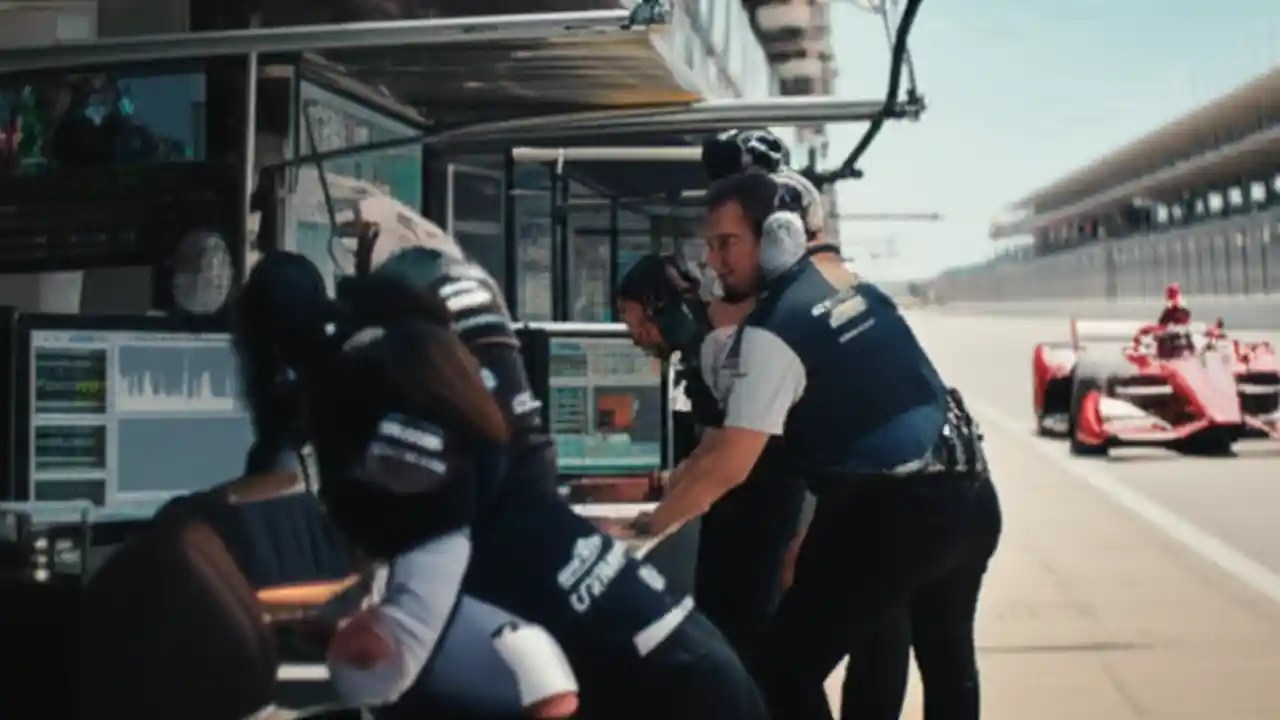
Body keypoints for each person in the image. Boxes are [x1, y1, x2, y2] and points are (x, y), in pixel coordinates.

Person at [254, 252, 767, 719]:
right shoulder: (506, 463)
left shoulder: (448, 520)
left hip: (666, 687)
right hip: (686, 657)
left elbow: (392, 658)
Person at [616, 170, 1003, 720]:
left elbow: (727, 465)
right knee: (947, 666)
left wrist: (649, 528)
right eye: (710, 246)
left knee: (780, 672)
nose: (714, 262)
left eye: (727, 244)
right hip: (971, 499)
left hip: (897, 513)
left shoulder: (775, 331)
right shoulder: (852, 291)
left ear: (776, 238)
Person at [615, 252, 806, 667]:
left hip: (764, 505)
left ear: (661, 310)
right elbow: (709, 447)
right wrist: (665, 497)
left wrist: (650, 528)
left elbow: (724, 463)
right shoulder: (707, 348)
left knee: (747, 642)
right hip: (749, 502)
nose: (635, 336)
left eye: (636, 321)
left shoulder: (726, 347)